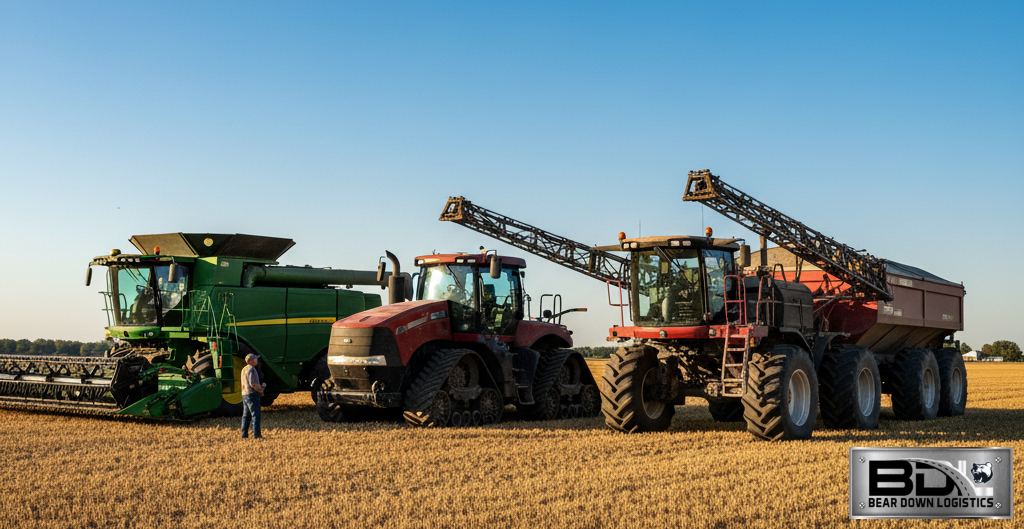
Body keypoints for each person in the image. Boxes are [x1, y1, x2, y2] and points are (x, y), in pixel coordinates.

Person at [241, 353, 266, 439]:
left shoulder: (244, 369)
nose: (257, 360)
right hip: (252, 394)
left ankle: (244, 435)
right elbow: (253, 384)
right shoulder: (251, 369)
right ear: (251, 361)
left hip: (244, 394)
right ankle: (257, 435)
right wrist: (261, 389)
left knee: (246, 416)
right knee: (256, 415)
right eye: (255, 359)